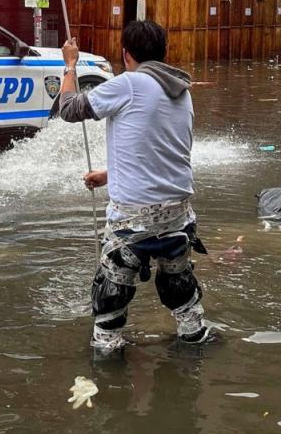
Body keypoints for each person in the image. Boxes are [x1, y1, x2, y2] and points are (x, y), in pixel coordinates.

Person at [59, 20, 211, 351]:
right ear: (164, 53)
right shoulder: (181, 90)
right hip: (179, 216)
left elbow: (68, 110)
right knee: (180, 289)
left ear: (126, 55)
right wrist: (110, 174)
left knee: (111, 295)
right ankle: (195, 340)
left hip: (132, 220)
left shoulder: (128, 84)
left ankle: (108, 362)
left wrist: (69, 65)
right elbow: (161, 150)